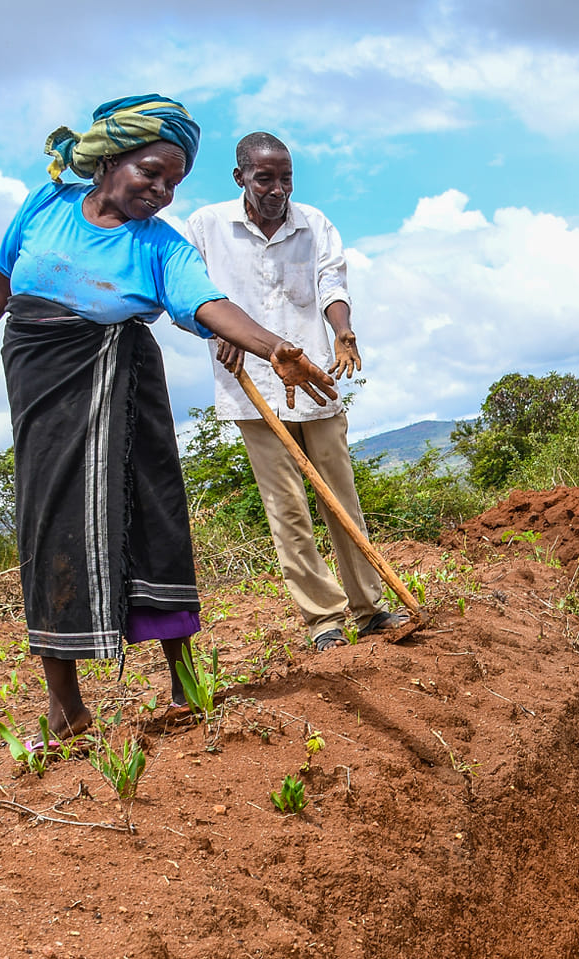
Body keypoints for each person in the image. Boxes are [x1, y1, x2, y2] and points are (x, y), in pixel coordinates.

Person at [0, 95, 337, 740]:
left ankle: (185, 683)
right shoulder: (44, 206)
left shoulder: (163, 246)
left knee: (151, 516)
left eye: (173, 182)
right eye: (151, 174)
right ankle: (65, 704)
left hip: (124, 382)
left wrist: (272, 345)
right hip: (41, 382)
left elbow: (208, 303)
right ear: (109, 161)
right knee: (48, 521)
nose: (162, 192)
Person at [186, 133, 404, 651]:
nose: (278, 189)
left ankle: (370, 608)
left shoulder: (314, 223)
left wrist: (342, 330)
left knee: (341, 499)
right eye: (265, 178)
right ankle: (322, 619)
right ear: (240, 177)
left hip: (314, 378)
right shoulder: (206, 226)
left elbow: (333, 282)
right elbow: (189, 292)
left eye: (286, 178)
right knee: (287, 508)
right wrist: (218, 331)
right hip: (252, 389)